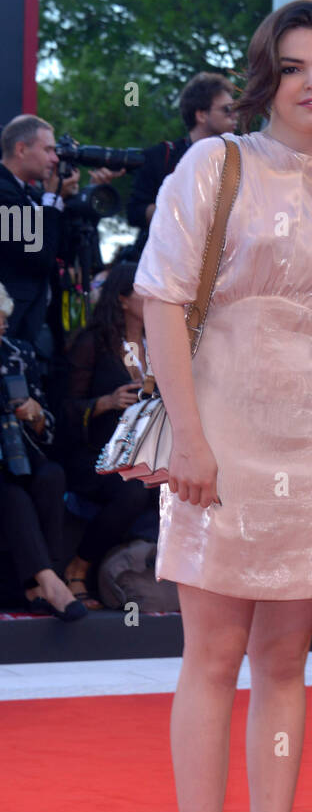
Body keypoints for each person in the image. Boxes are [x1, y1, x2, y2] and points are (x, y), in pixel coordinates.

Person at [134, 0, 312, 812]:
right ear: (265, 77)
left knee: (285, 664)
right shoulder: (215, 164)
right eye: (295, 66)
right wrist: (188, 439)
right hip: (219, 435)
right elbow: (161, 300)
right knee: (212, 657)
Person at [61, 260, 158, 609]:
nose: (156, 297)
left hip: (143, 451)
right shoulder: (94, 342)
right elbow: (65, 409)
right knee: (132, 491)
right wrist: (106, 402)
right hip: (94, 454)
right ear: (122, 299)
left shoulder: (159, 343)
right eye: (146, 291)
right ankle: (78, 567)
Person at [0, 280, 86, 621]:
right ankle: (50, 582)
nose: (4, 324)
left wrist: (35, 414)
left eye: (4, 317)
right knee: (13, 496)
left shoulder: (18, 352)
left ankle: (38, 585)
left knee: (53, 475)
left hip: (20, 454)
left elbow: (48, 430)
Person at [125, 73, 238, 257]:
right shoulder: (161, 156)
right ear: (201, 115)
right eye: (227, 110)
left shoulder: (240, 162)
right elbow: (134, 211)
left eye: (236, 109)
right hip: (167, 263)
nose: (235, 115)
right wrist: (181, 214)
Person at [0, 116, 80, 346]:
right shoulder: (4, 193)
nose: (55, 159)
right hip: (12, 326)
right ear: (21, 149)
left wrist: (68, 200)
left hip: (41, 326)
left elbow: (62, 251)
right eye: (48, 150)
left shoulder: (36, 196)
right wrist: (52, 202)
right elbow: (37, 256)